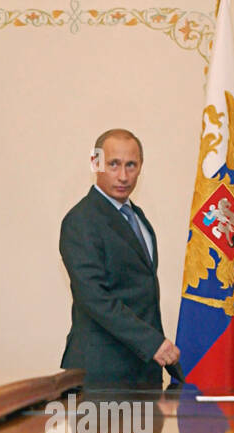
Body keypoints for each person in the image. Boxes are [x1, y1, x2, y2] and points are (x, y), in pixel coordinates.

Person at [59, 128, 180, 389]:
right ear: (95, 163)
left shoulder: (138, 217)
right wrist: (152, 343)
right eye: (114, 164)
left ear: (141, 167)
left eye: (131, 165)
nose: (123, 176)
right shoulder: (81, 220)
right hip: (100, 373)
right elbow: (94, 297)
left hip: (143, 370)